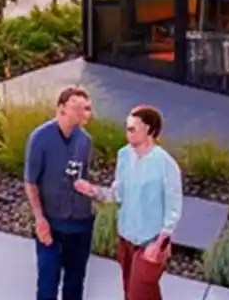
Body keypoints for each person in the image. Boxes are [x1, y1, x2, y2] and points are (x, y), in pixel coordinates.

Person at [74, 105, 183, 300]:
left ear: (149, 130)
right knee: (131, 292)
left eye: (133, 129)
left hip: (150, 242)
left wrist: (159, 244)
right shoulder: (124, 155)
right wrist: (92, 190)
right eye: (127, 128)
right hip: (126, 238)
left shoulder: (166, 164)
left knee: (139, 294)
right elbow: (118, 194)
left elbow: (174, 209)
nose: (128, 133)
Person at [24, 86, 96, 300]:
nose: (81, 112)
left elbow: (84, 174)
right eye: (76, 106)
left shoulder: (85, 141)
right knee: (48, 282)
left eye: (85, 108)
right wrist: (39, 218)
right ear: (61, 109)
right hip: (51, 223)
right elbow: (31, 182)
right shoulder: (40, 138)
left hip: (80, 223)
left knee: (75, 284)